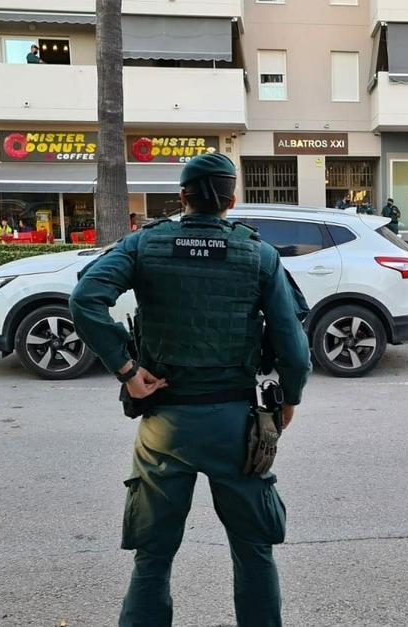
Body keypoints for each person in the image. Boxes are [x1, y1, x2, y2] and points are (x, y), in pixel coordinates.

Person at [68, 152, 311, 627]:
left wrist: (126, 369)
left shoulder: (144, 245)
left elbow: (84, 299)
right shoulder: (257, 254)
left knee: (152, 559)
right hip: (237, 427)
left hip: (165, 424)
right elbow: (293, 346)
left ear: (182, 197)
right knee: (253, 550)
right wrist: (291, 397)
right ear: (232, 199)